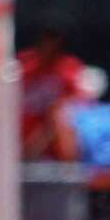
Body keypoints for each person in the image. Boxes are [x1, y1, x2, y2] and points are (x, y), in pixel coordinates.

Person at [18, 14, 88, 161]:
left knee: (59, 114)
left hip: (54, 148)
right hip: (20, 142)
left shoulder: (70, 69)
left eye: (54, 40)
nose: (48, 46)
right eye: (45, 39)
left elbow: (77, 109)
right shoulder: (22, 66)